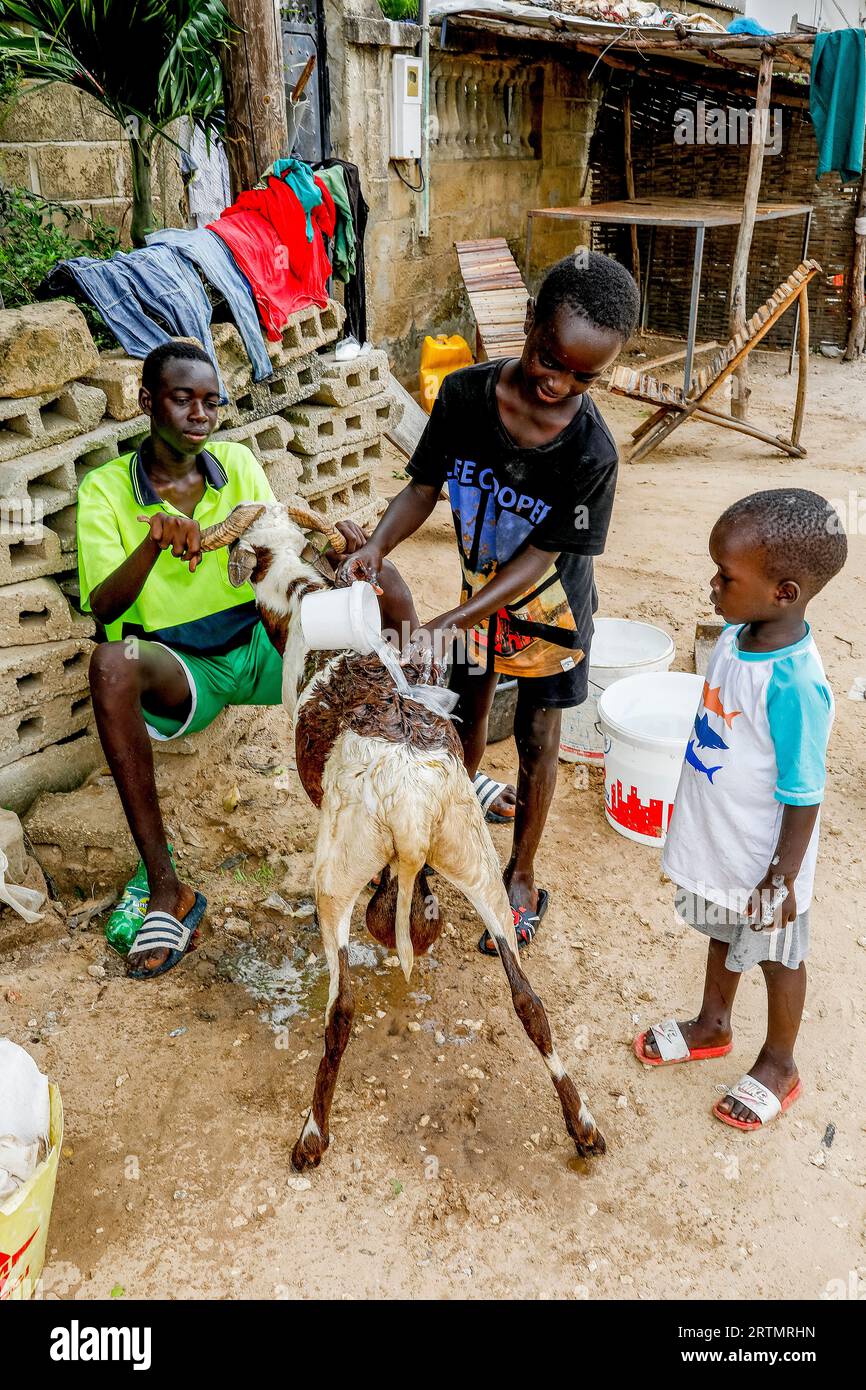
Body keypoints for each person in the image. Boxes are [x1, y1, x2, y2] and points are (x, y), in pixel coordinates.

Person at [338, 251, 640, 951]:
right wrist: (378, 545)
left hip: (550, 614)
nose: (556, 382)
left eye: (582, 377)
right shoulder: (466, 396)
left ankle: (522, 876)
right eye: (548, 357)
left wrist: (450, 621)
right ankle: (438, 836)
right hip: (478, 598)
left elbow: (544, 554)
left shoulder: (591, 451)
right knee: (463, 720)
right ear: (529, 322)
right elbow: (422, 487)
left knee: (537, 741)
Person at [635, 489, 847, 1131]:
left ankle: (780, 1064)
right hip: (719, 843)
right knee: (720, 931)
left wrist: (781, 877)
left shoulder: (796, 685)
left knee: (780, 957)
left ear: (785, 591)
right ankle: (712, 1024)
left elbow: (804, 789)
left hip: (767, 862)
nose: (712, 586)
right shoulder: (733, 636)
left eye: (726, 577)